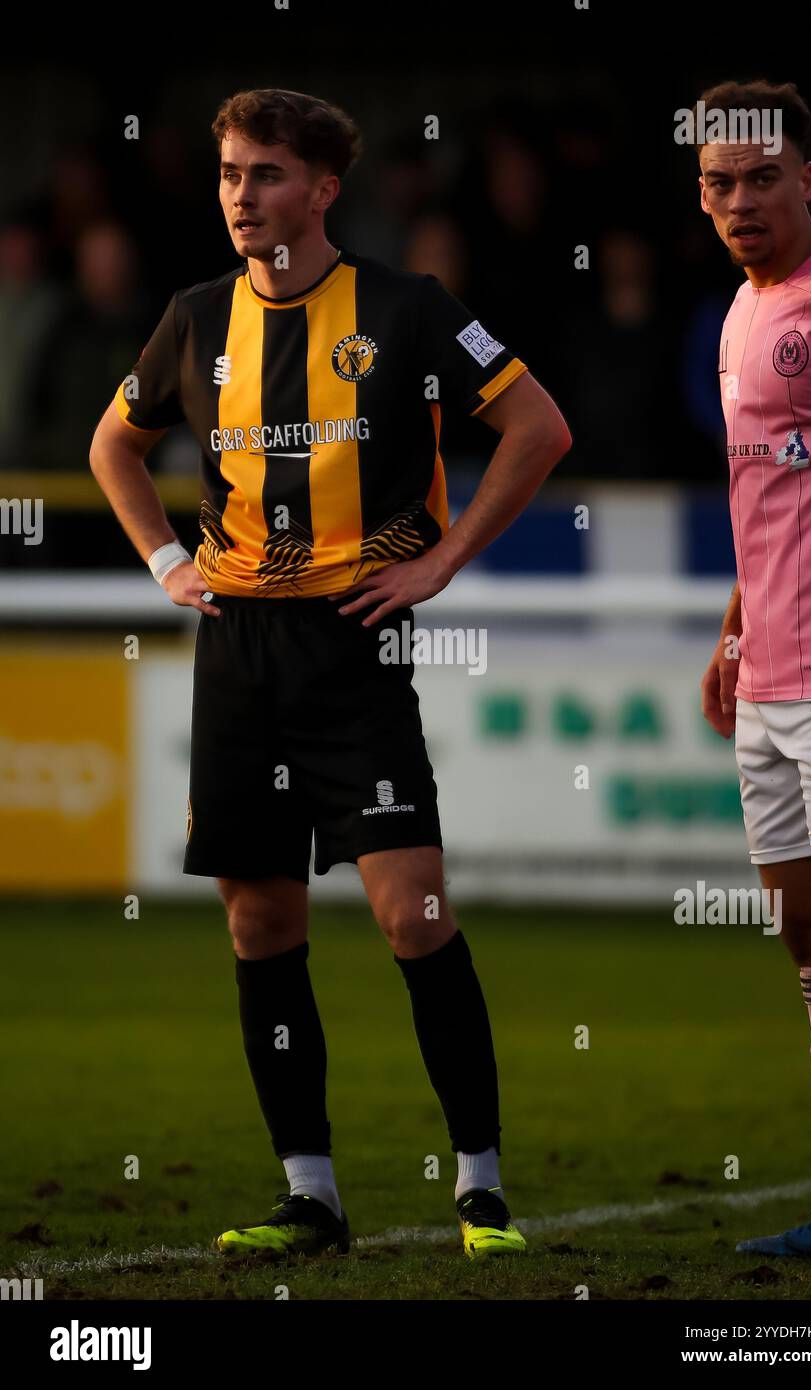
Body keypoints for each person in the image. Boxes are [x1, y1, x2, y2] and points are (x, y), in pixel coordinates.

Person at [90, 87, 571, 1262]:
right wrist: (165, 558)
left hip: (353, 640)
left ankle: (478, 1188)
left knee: (414, 916)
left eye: (262, 175)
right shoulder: (196, 318)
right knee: (260, 924)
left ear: (321, 189)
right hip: (239, 648)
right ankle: (311, 1196)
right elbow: (115, 443)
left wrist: (441, 563)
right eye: (226, 176)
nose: (239, 197)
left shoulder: (407, 310)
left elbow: (538, 428)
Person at [697, 78, 811, 1263]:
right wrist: (731, 628)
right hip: (768, 674)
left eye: (761, 178)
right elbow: (767, 496)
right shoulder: (737, 310)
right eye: (716, 184)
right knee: (807, 929)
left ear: (808, 178)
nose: (739, 201)